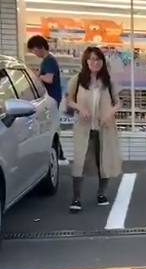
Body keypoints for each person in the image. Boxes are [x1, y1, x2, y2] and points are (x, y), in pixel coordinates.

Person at [64, 47, 123, 213]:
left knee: (104, 161)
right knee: (79, 162)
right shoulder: (78, 79)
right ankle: (76, 198)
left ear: (102, 62)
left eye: (98, 59)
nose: (94, 63)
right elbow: (68, 100)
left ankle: (102, 194)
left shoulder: (108, 81)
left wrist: (110, 113)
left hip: (105, 127)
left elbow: (118, 102)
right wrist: (80, 108)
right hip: (83, 127)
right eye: (91, 59)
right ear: (86, 61)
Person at [27, 35, 66, 163]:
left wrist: (35, 75)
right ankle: (59, 153)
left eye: (34, 50)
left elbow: (49, 78)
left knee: (52, 126)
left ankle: (59, 154)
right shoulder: (48, 60)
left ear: (41, 47)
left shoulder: (49, 61)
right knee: (51, 126)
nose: (34, 53)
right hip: (51, 98)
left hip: (52, 98)